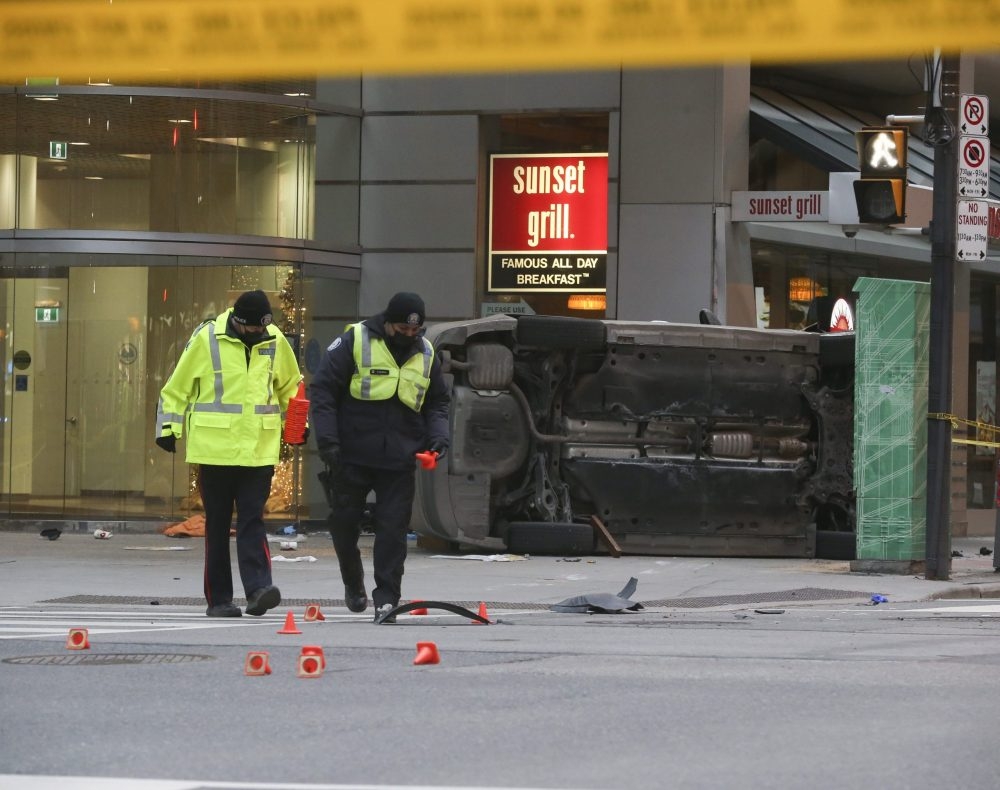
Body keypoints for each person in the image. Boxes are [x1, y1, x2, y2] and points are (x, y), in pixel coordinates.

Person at [155, 289, 302, 618]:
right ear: (238, 321)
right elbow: (176, 388)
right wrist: (167, 429)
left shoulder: (275, 340)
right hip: (214, 451)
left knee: (253, 521)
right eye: (253, 328)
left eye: (263, 327)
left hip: (258, 452)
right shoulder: (207, 339)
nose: (259, 333)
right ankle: (219, 600)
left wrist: (297, 426)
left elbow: (291, 387)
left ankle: (259, 590)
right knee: (217, 528)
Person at [310, 291, 450, 623]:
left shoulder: (427, 352)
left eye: (415, 331)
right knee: (344, 525)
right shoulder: (355, 340)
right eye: (402, 329)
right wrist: (328, 442)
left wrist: (438, 438)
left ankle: (386, 599)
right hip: (351, 455)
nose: (409, 336)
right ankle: (353, 583)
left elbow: (437, 403)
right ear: (388, 323)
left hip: (399, 459)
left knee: (393, 531)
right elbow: (324, 390)